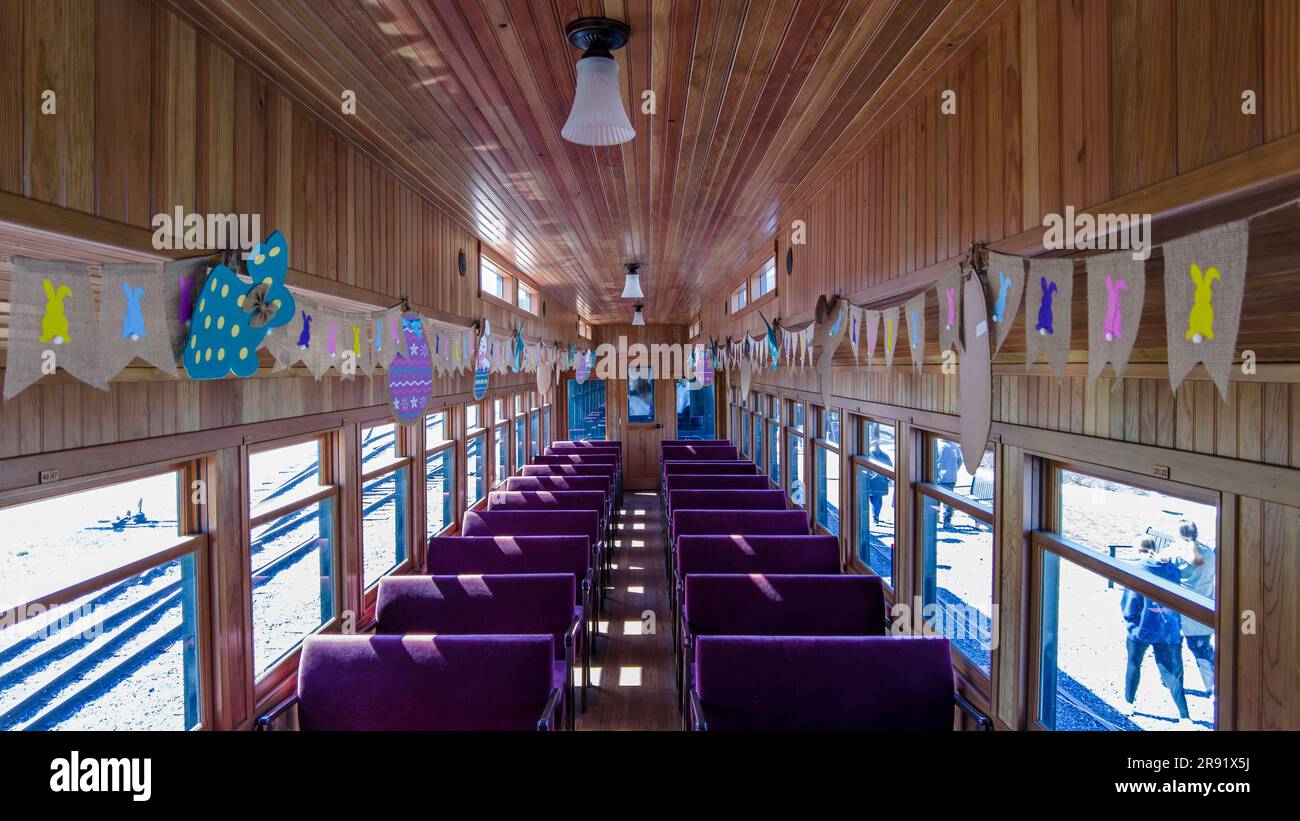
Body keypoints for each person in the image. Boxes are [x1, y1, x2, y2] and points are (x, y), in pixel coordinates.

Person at [1121, 536, 1191, 725]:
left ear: (1140, 551)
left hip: (1141, 629)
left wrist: (1131, 622)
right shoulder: (1173, 571)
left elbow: (1130, 605)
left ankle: (1128, 704)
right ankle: (1184, 716)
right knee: (1172, 672)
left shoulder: (1137, 570)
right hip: (1168, 628)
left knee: (1134, 664)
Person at [1171, 520, 1216, 696]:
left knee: (1174, 648)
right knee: (1202, 649)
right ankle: (1211, 685)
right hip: (1205, 610)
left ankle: (1174, 681)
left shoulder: (1176, 554)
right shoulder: (1209, 553)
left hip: (1182, 612)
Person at [935, 438, 961, 527]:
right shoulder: (955, 447)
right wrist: (953, 470)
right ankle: (947, 521)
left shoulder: (937, 445)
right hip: (951, 477)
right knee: (948, 500)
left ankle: (935, 518)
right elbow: (959, 461)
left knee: (936, 499)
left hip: (938, 477)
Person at [867, 436, 893, 525]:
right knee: (877, 499)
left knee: (875, 499)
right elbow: (890, 467)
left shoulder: (868, 455)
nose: (876, 446)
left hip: (873, 481)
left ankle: (876, 517)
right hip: (881, 481)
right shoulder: (885, 455)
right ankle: (876, 516)